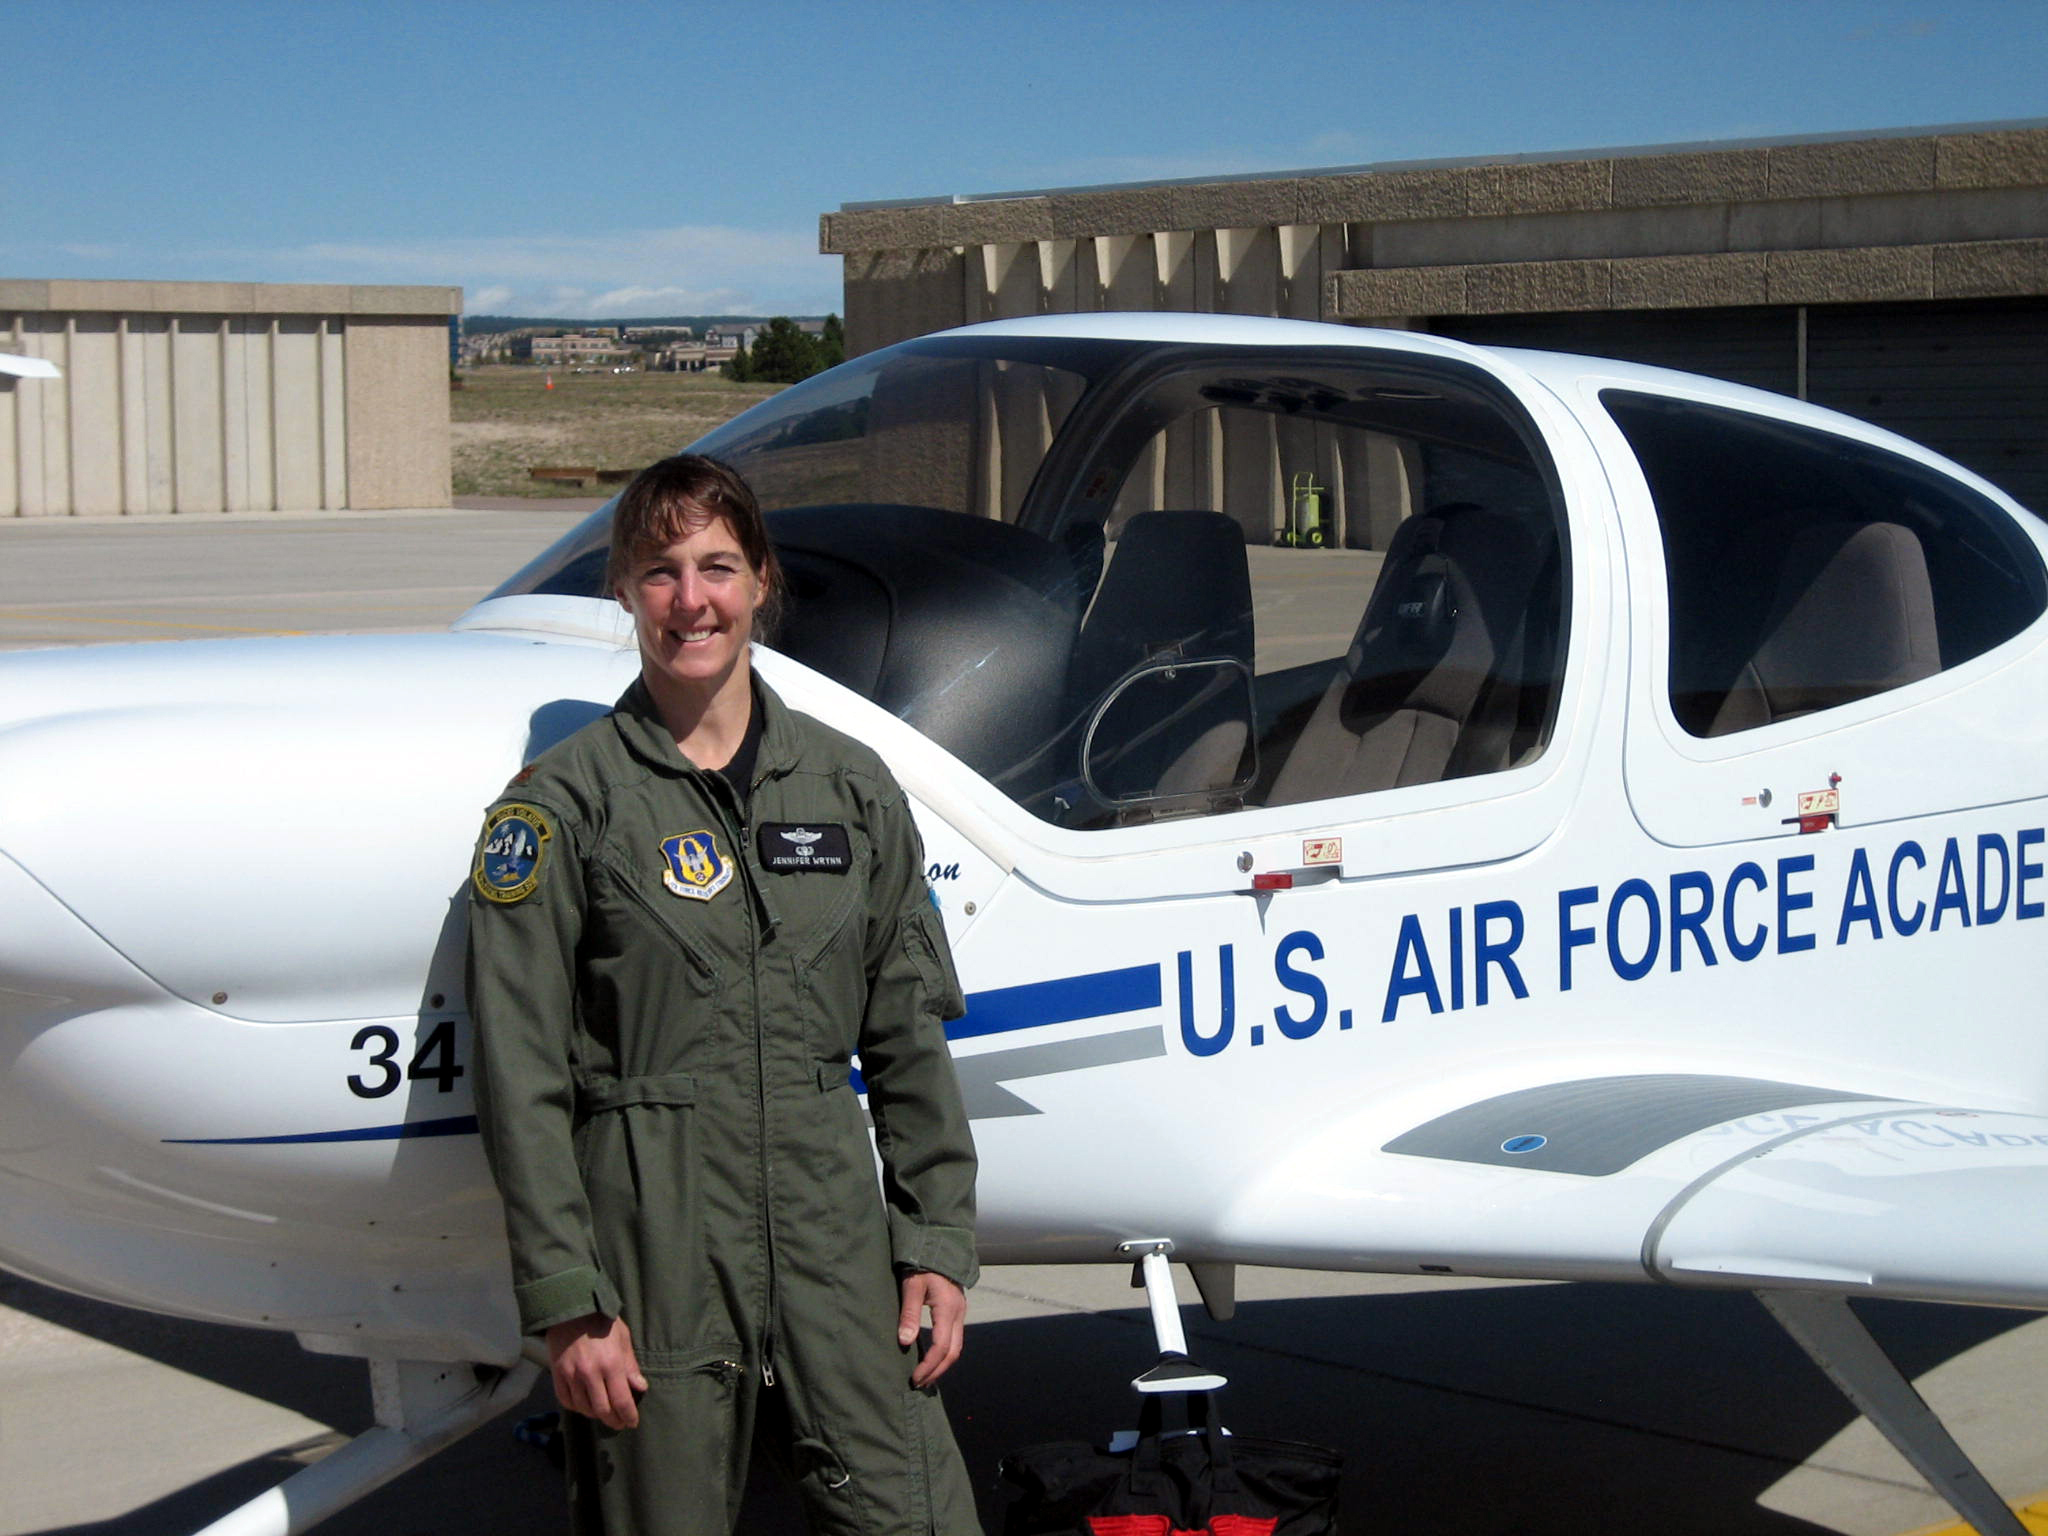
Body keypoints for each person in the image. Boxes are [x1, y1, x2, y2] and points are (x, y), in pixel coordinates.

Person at [466, 454, 981, 1535]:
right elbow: (520, 1079)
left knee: (915, 1516)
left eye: (715, 567)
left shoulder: (850, 787)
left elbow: (906, 1039)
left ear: (759, 581)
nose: (689, 600)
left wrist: (933, 1239)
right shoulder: (562, 808)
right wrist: (569, 1302)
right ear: (621, 589)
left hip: (832, 1239)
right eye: (658, 572)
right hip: (651, 1253)